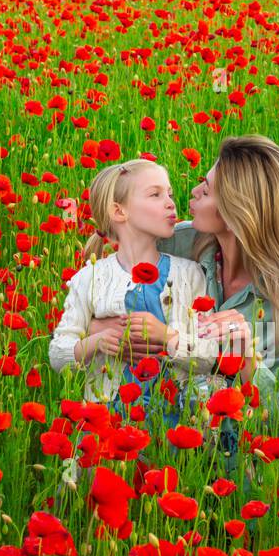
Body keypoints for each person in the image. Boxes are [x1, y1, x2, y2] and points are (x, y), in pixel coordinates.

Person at [87, 135, 279, 478]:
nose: (195, 191)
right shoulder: (180, 242)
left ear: (237, 213)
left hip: (236, 477)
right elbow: (101, 253)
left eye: (207, 186)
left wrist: (245, 363)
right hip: (153, 447)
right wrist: (103, 327)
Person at [47, 158, 212, 430]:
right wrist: (97, 342)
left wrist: (167, 337)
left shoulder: (190, 275)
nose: (171, 202)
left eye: (169, 193)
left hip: (174, 423)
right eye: (155, 194)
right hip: (107, 421)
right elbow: (58, 354)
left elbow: (208, 356)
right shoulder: (90, 278)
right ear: (119, 211)